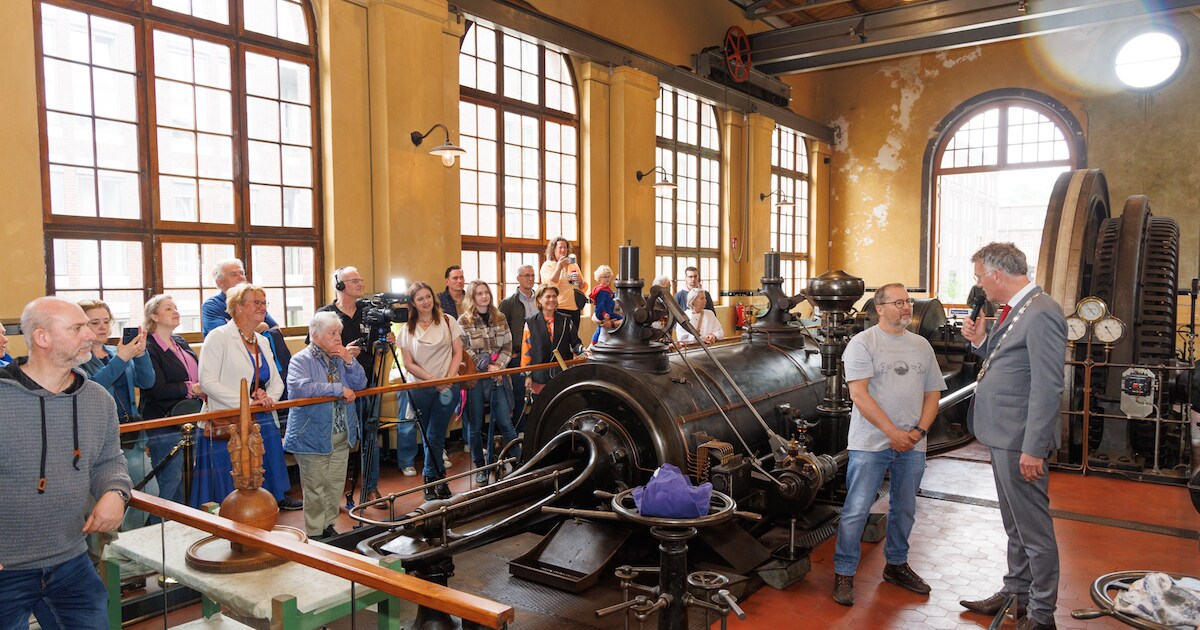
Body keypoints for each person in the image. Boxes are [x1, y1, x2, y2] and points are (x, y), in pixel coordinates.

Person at [0, 297, 131, 629]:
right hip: (6, 568)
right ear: (42, 337)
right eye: (77, 328)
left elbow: (109, 459)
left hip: (71, 560)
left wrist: (116, 492)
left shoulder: (98, 399)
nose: (90, 334)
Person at [959, 243, 1066, 630]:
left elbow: (1048, 386)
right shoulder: (1019, 308)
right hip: (1003, 433)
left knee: (1033, 529)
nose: (980, 285)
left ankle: (1041, 614)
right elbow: (1011, 361)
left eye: (980, 277)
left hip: (1021, 438)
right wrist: (980, 341)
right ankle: (1016, 592)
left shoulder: (1042, 312)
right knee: (1014, 522)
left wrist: (1034, 448)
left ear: (997, 275)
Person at [830, 283, 947, 606]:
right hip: (870, 443)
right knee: (856, 510)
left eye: (908, 302)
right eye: (899, 302)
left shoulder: (921, 345)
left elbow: (933, 393)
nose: (906, 307)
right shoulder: (863, 343)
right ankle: (844, 573)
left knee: (904, 507)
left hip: (913, 443)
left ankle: (896, 565)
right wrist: (892, 432)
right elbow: (859, 394)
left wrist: (919, 431)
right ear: (879, 309)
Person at [196, 283, 299, 510]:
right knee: (232, 490)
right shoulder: (218, 337)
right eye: (256, 303)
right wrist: (248, 403)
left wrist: (268, 399)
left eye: (264, 303)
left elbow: (276, 380)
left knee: (264, 484)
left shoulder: (262, 340)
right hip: (228, 424)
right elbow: (208, 382)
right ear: (238, 307)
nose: (262, 307)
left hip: (262, 420)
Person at [314, 266, 397, 507]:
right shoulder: (325, 314)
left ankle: (370, 488)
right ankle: (330, 494)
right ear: (340, 285)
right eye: (354, 281)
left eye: (361, 279)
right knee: (335, 438)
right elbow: (314, 349)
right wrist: (342, 353)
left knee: (370, 436)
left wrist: (386, 342)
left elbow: (378, 347)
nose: (360, 284)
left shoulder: (369, 312)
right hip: (335, 386)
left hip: (367, 382)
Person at [77, 299, 158, 530]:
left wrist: (140, 354)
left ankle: (124, 540)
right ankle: (109, 543)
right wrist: (122, 359)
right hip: (98, 439)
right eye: (94, 322)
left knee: (149, 492)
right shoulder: (78, 358)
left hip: (131, 436)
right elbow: (92, 387)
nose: (102, 327)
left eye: (106, 321)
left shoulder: (116, 352)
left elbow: (147, 382)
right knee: (101, 499)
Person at [285, 312, 367, 539]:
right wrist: (337, 390)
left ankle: (329, 525)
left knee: (335, 485)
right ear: (315, 335)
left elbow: (360, 383)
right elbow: (299, 389)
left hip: (341, 434)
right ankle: (314, 533)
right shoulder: (301, 360)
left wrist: (349, 361)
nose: (338, 337)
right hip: (311, 435)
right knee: (315, 487)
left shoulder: (340, 358)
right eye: (332, 333)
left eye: (339, 332)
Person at [397, 281, 463, 501]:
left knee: (435, 434)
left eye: (428, 297)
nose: (425, 302)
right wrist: (433, 380)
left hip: (448, 387)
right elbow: (408, 364)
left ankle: (430, 479)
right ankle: (439, 479)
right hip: (420, 388)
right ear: (413, 303)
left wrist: (448, 378)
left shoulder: (448, 320)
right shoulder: (407, 329)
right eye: (420, 299)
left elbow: (458, 352)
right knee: (428, 435)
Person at [139, 295, 203, 506]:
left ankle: (182, 520)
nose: (175, 311)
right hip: (164, 421)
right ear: (154, 316)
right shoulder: (148, 347)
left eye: (175, 307)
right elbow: (155, 389)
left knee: (187, 475)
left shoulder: (180, 342)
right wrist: (190, 388)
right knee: (170, 478)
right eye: (168, 308)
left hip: (190, 416)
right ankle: (159, 523)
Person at [459, 280, 517, 485]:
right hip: (475, 377)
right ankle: (480, 466)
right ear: (472, 297)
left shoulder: (500, 317)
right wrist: (484, 365)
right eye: (479, 293)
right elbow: (464, 349)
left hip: (497, 375)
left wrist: (498, 366)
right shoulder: (464, 320)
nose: (484, 296)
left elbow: (507, 346)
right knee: (475, 425)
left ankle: (520, 461)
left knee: (505, 422)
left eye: (486, 292)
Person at [499, 265, 538, 434]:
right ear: (518, 279)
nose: (530, 278)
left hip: (539, 355)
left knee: (539, 392)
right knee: (519, 395)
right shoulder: (508, 303)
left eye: (532, 275)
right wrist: (509, 352)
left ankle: (536, 430)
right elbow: (501, 330)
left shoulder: (540, 300)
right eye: (526, 275)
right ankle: (519, 433)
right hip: (517, 356)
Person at [201, 258, 280, 337]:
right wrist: (262, 326)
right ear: (220, 282)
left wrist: (237, 328)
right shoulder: (212, 306)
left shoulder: (255, 302)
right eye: (234, 275)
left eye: (242, 273)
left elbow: (276, 330)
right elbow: (224, 335)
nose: (241, 277)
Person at [521, 284, 575, 396]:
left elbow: (575, 343)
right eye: (548, 296)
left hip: (562, 375)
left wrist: (583, 350)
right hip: (539, 377)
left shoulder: (566, 320)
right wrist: (528, 375)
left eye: (554, 296)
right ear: (539, 300)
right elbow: (526, 351)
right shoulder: (530, 323)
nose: (552, 300)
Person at [539, 237, 587, 349]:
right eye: (560, 247)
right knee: (560, 342)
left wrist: (580, 281)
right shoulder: (548, 265)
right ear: (553, 250)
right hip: (558, 308)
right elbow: (550, 285)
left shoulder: (573, 265)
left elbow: (581, 287)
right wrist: (559, 267)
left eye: (565, 247)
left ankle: (572, 358)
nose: (563, 250)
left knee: (573, 340)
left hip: (574, 308)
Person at [589, 265, 622, 345]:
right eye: (604, 277)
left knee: (600, 329)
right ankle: (597, 342)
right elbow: (600, 305)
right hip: (604, 313)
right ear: (599, 278)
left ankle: (594, 341)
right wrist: (604, 314)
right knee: (604, 327)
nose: (607, 279)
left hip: (607, 313)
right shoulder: (602, 291)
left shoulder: (607, 289)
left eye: (608, 276)